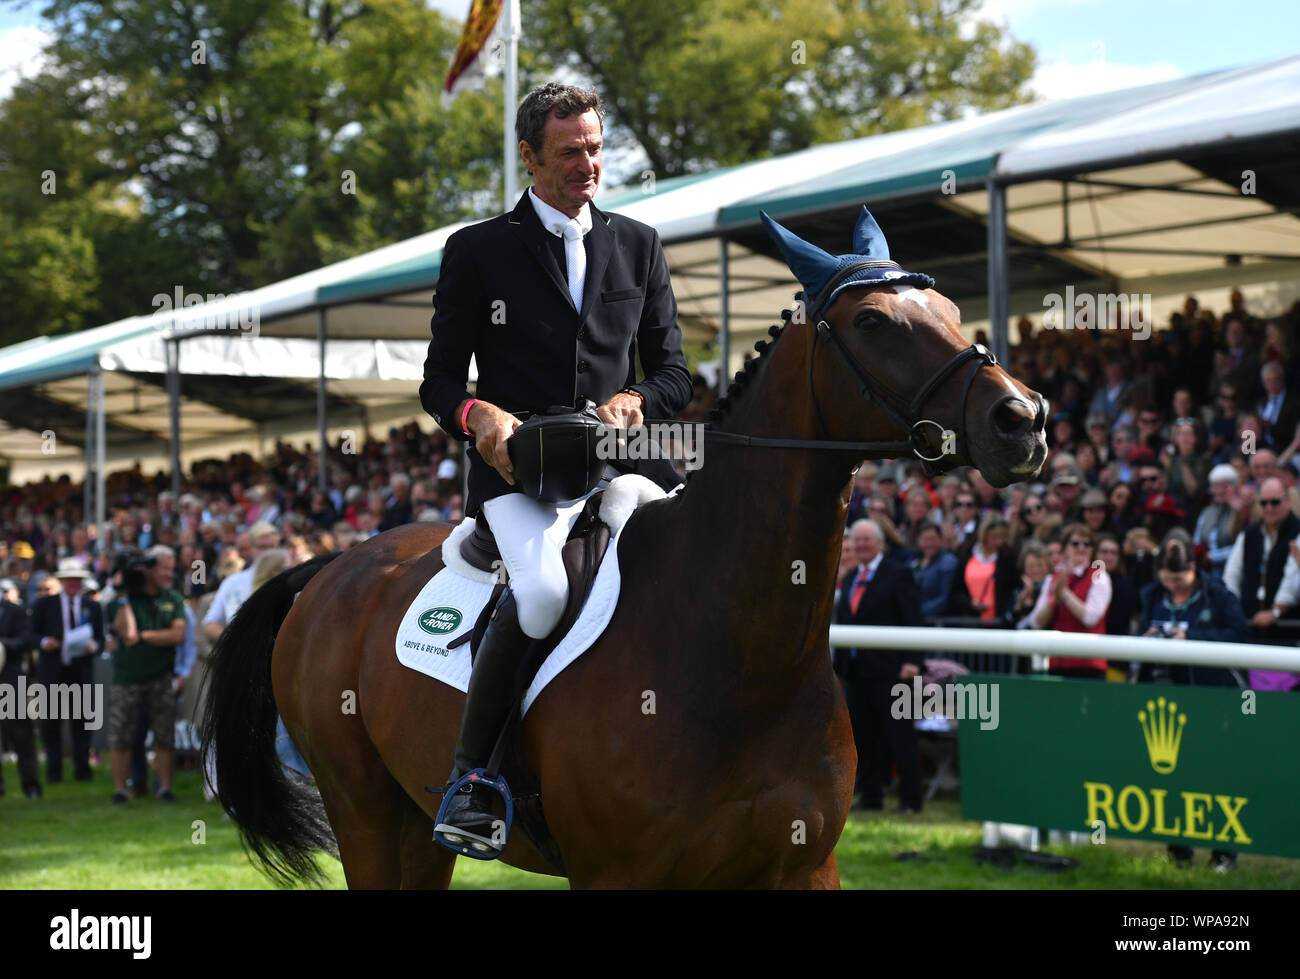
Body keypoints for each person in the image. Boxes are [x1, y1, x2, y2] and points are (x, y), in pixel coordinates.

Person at [419, 82, 692, 848]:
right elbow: (438, 383)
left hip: (622, 464)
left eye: (597, 148)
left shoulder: (638, 241)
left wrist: (637, 397)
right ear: (530, 156)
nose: (588, 164)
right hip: (522, 476)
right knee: (540, 593)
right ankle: (472, 778)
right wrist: (480, 417)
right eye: (570, 151)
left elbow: (676, 373)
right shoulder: (476, 250)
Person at [1136, 530, 1250, 872]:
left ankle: (1223, 852)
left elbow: (1240, 634)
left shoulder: (1217, 594)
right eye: (1168, 579)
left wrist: (1193, 638)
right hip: (1166, 701)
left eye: (1180, 579)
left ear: (1194, 570)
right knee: (1172, 777)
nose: (1174, 586)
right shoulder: (1152, 595)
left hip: (1213, 699)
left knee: (1217, 776)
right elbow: (1138, 635)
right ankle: (1178, 852)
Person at [833, 519, 924, 814]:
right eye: (857, 541)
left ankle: (911, 800)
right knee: (863, 738)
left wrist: (913, 661)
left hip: (893, 672)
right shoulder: (848, 579)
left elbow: (914, 619)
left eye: (866, 540)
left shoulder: (898, 575)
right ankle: (871, 796)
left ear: (880, 543)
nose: (861, 546)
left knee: (900, 737)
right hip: (858, 673)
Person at [108, 547, 186, 803]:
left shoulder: (173, 598)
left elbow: (177, 636)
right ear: (148, 570)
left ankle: (164, 788)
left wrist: (144, 636)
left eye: (171, 568)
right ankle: (120, 790)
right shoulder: (122, 601)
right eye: (164, 568)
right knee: (121, 736)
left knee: (165, 735)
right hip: (127, 678)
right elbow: (126, 633)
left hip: (161, 677)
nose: (169, 573)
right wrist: (123, 596)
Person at [27, 558, 105, 784]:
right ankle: (54, 772)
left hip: (81, 672)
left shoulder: (93, 607)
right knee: (51, 724)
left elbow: (100, 637)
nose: (73, 583)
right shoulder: (44, 605)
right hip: (53, 671)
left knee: (81, 723)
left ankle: (82, 769)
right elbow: (31, 636)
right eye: (70, 579)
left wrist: (94, 646)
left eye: (77, 580)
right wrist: (44, 643)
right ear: (62, 581)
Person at [1029, 523, 1112, 679]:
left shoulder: (1100, 576)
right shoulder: (1053, 577)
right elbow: (1036, 622)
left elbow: (1090, 618)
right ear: (1065, 548)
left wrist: (1064, 593)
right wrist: (1054, 599)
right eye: (1075, 544)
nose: (1081, 548)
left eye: (1087, 544)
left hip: (1089, 665)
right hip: (1057, 663)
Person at [0, 577, 40, 798]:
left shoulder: (15, 611)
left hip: (11, 679)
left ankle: (31, 785)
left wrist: (2, 645)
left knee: (21, 734)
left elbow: (25, 640)